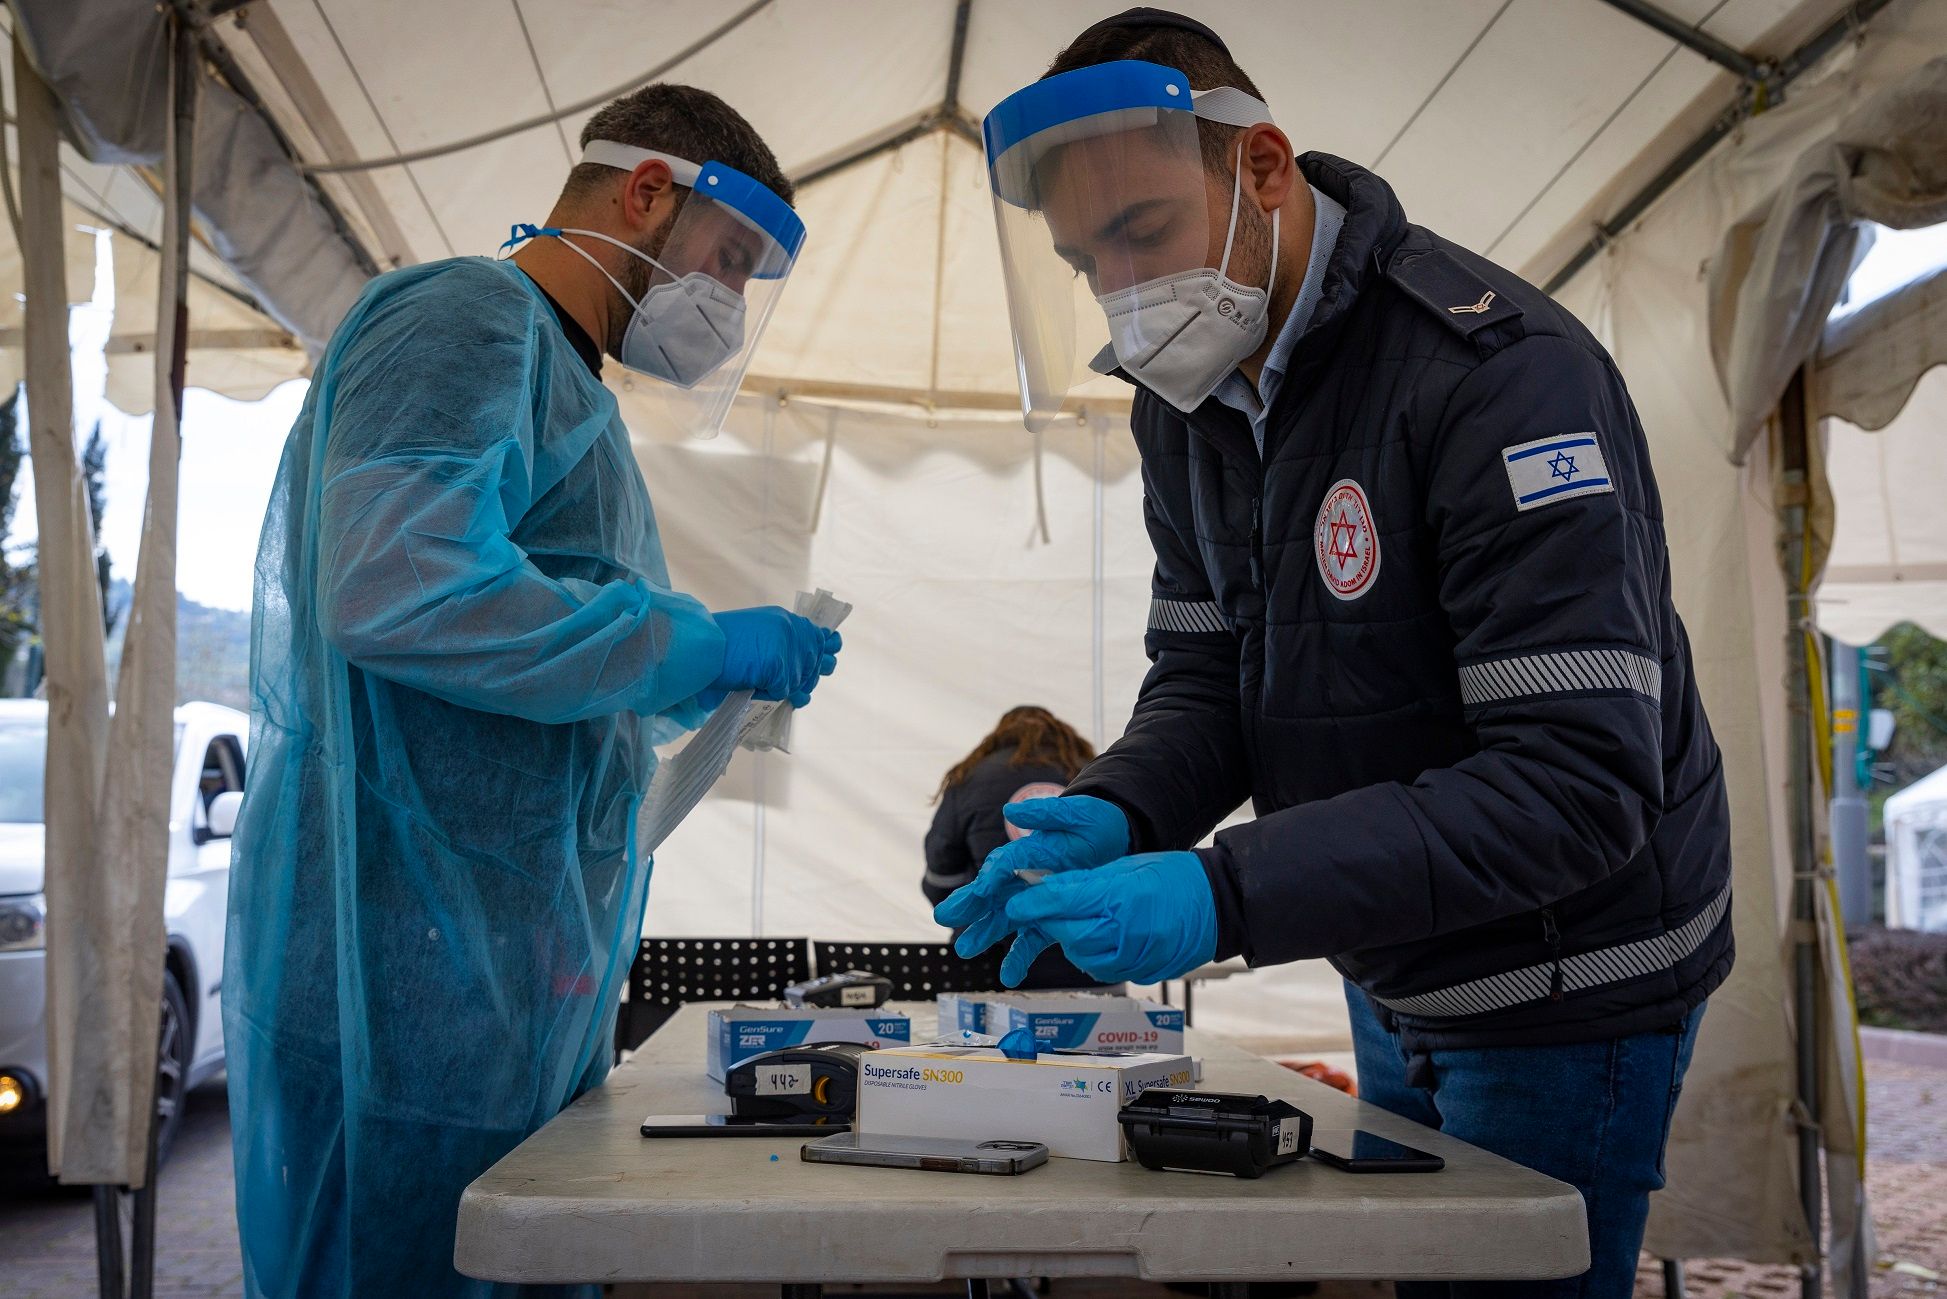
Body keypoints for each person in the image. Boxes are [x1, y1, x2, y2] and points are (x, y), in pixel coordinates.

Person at [940, 10, 1732, 1298]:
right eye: (1087, 262)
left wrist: (1226, 894)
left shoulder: (1499, 376)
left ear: (1261, 166)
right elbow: (1211, 677)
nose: (1124, 295)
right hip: (1395, 952)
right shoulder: (1188, 401)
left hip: (1565, 984)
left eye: (1143, 232)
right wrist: (1118, 808)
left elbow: (1576, 784)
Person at [224, 84, 841, 1299]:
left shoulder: (569, 391)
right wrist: (695, 647)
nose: (726, 307)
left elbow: (549, 659)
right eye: (727, 261)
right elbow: (397, 589)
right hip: (400, 954)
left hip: (485, 961)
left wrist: (713, 685)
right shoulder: (464, 320)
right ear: (647, 191)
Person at [924, 706, 1102, 990]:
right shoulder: (1092, 772)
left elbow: (941, 872)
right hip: (1087, 955)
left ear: (999, 737)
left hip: (988, 959)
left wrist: (972, 909)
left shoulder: (970, 777)